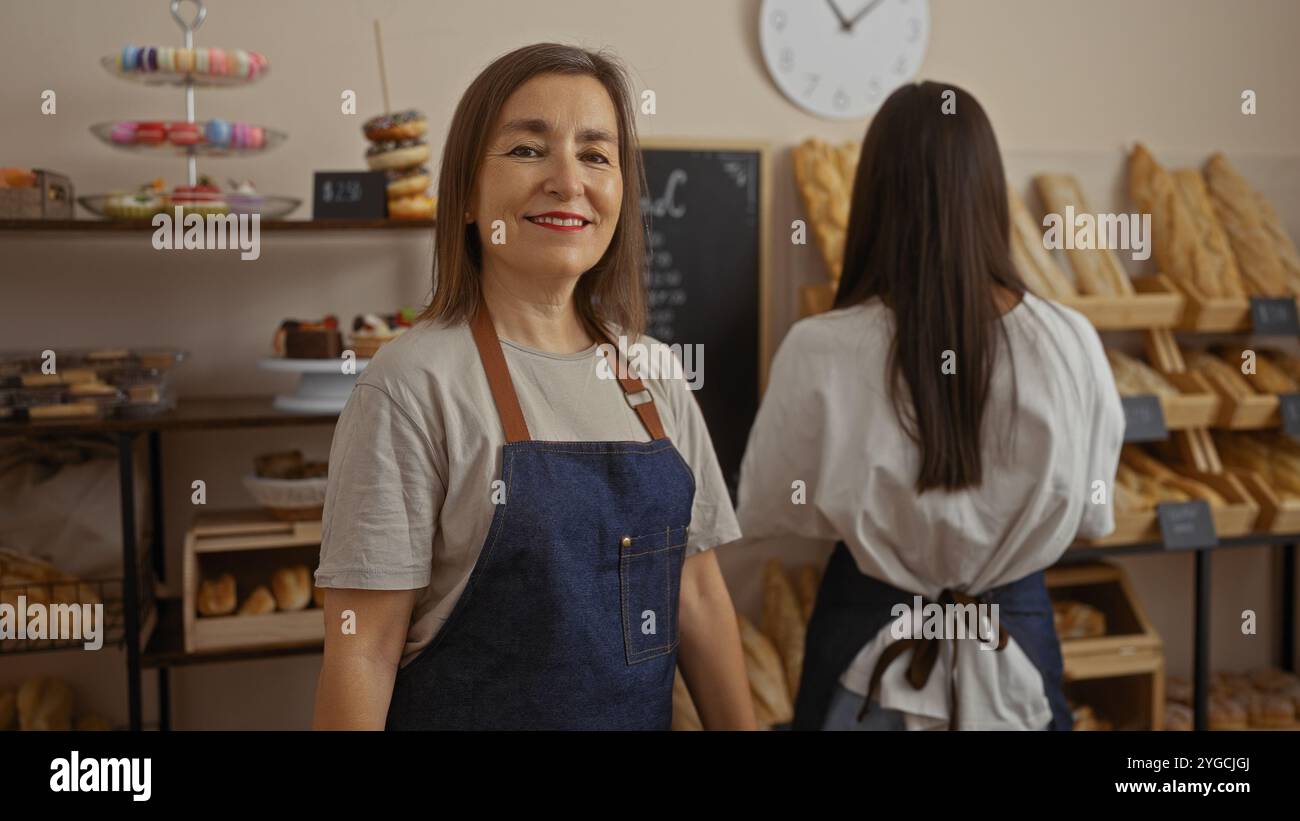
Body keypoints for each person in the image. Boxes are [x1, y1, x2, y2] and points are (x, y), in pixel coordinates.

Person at [312, 43, 754, 730]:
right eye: (527, 150)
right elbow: (361, 649)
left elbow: (695, 593)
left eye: (596, 154)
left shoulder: (658, 375)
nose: (567, 180)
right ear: (463, 195)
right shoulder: (411, 385)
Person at [735, 81, 1124, 730]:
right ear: (988, 190)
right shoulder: (1070, 341)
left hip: (864, 640)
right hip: (1016, 637)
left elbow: (778, 505)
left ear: (874, 196)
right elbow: (1093, 515)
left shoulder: (821, 346)